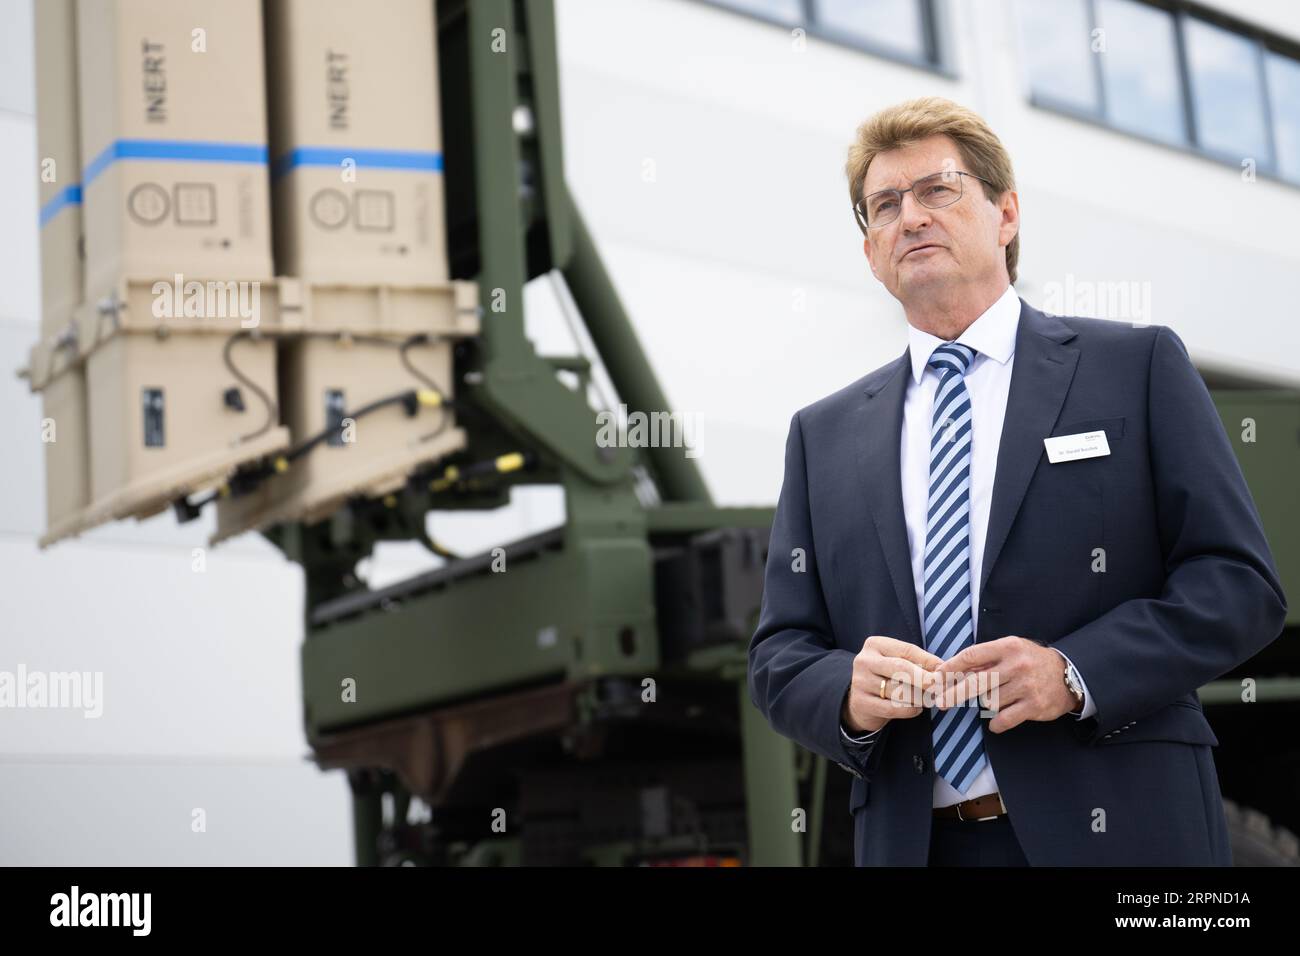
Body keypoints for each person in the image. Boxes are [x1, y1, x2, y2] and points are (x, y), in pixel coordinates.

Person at [747, 96, 1287, 866]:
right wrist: (846, 692)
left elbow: (1238, 585)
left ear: (1006, 213)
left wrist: (1074, 673)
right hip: (917, 844)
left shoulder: (1134, 368)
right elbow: (779, 656)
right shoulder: (822, 435)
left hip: (1124, 831)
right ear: (870, 250)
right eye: (885, 205)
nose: (912, 217)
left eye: (939, 190)